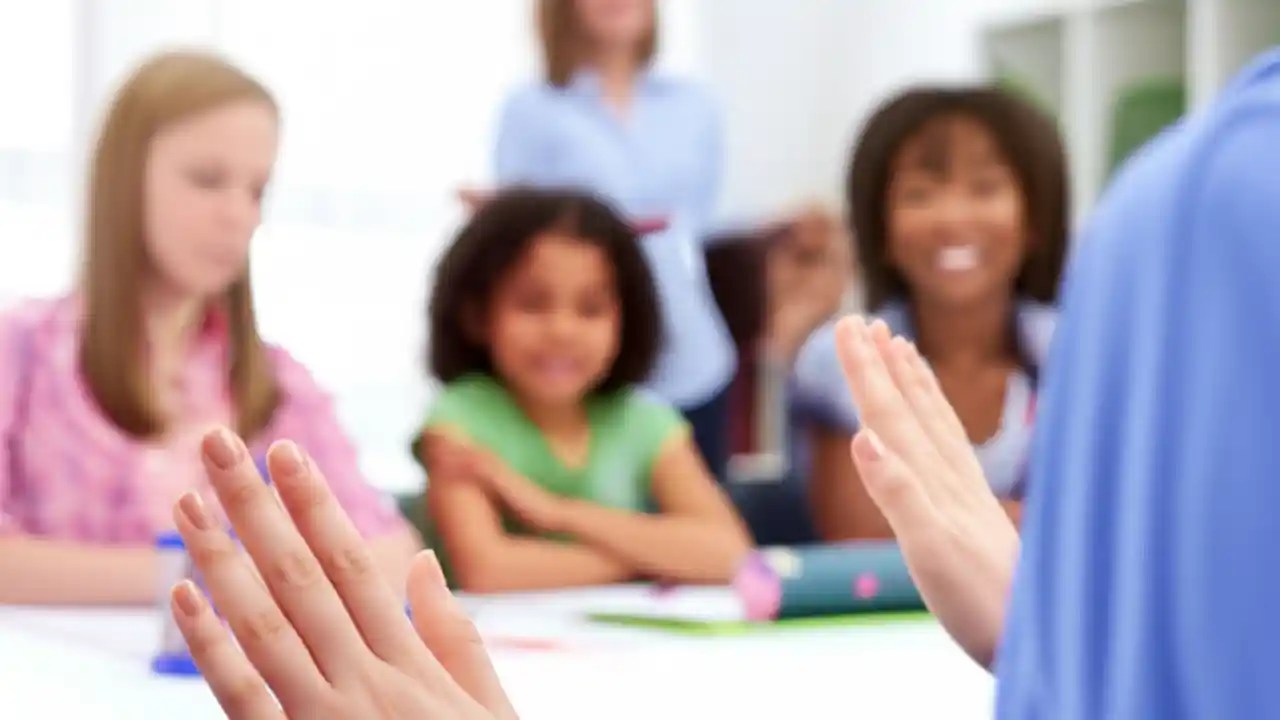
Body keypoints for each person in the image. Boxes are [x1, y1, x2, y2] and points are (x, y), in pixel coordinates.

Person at [0, 51, 420, 605]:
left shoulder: (279, 385)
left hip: (230, 687)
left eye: (256, 190)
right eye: (207, 180)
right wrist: (216, 572)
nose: (240, 215)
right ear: (124, 181)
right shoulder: (24, 353)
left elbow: (396, 555)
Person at [417, 189, 751, 592]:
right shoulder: (460, 418)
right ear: (477, 315)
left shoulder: (643, 420)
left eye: (591, 308)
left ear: (625, 320)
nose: (562, 330)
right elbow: (489, 571)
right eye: (533, 304)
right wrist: (653, 559)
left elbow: (731, 554)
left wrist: (556, 512)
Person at [792, 87, 1068, 541]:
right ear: (880, 229)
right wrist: (1011, 525)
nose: (953, 218)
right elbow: (862, 545)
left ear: (1034, 219)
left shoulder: (1076, 352)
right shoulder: (842, 358)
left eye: (986, 188)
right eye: (920, 195)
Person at [490, 0, 739, 481]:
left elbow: (704, 224)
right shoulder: (531, 110)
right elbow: (521, 238)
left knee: (700, 530)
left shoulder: (695, 105)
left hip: (692, 354)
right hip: (586, 363)